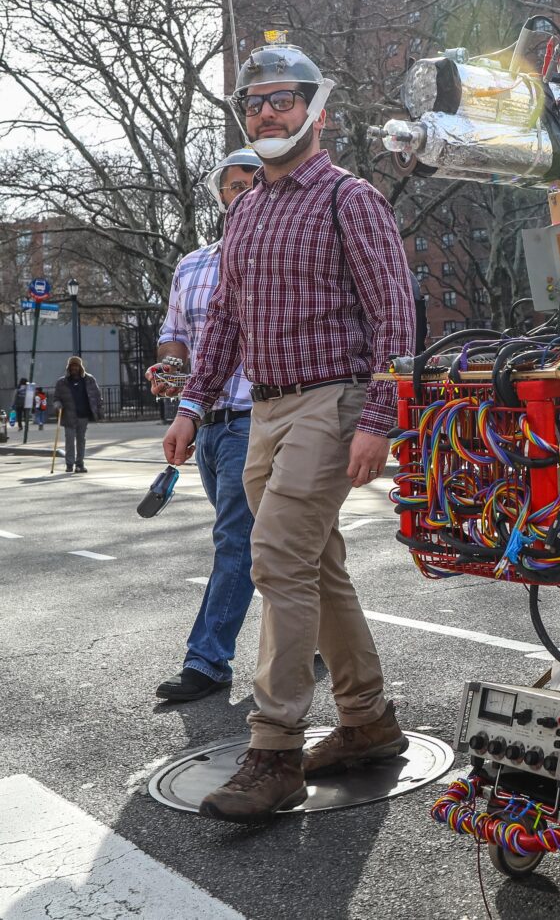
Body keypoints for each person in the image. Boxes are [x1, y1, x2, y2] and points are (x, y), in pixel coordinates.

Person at [163, 41, 415, 822]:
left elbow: (395, 314)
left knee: (273, 553)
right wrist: (191, 405)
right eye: (253, 102)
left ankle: (274, 749)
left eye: (281, 97)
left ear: (317, 108)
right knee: (318, 564)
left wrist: (379, 417)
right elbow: (226, 326)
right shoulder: (246, 211)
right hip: (263, 408)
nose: (266, 111)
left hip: (332, 401)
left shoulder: (350, 197)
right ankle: (367, 719)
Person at [149, 147, 264, 702]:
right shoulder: (193, 264)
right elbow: (175, 331)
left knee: (235, 541)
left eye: (252, 183)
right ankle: (320, 632)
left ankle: (209, 660)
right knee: (272, 543)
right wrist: (174, 370)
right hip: (206, 423)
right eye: (233, 185)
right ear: (221, 195)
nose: (241, 193)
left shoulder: (272, 258)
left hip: (257, 417)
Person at [52, 358, 101, 471]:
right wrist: (58, 405)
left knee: (81, 440)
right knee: (69, 441)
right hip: (68, 416)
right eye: (72, 366)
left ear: (80, 367)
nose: (74, 368)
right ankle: (69, 464)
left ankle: (79, 464)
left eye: (76, 366)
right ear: (68, 368)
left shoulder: (89, 380)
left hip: (83, 415)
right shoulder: (62, 382)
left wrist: (99, 409)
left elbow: (97, 395)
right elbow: (56, 398)